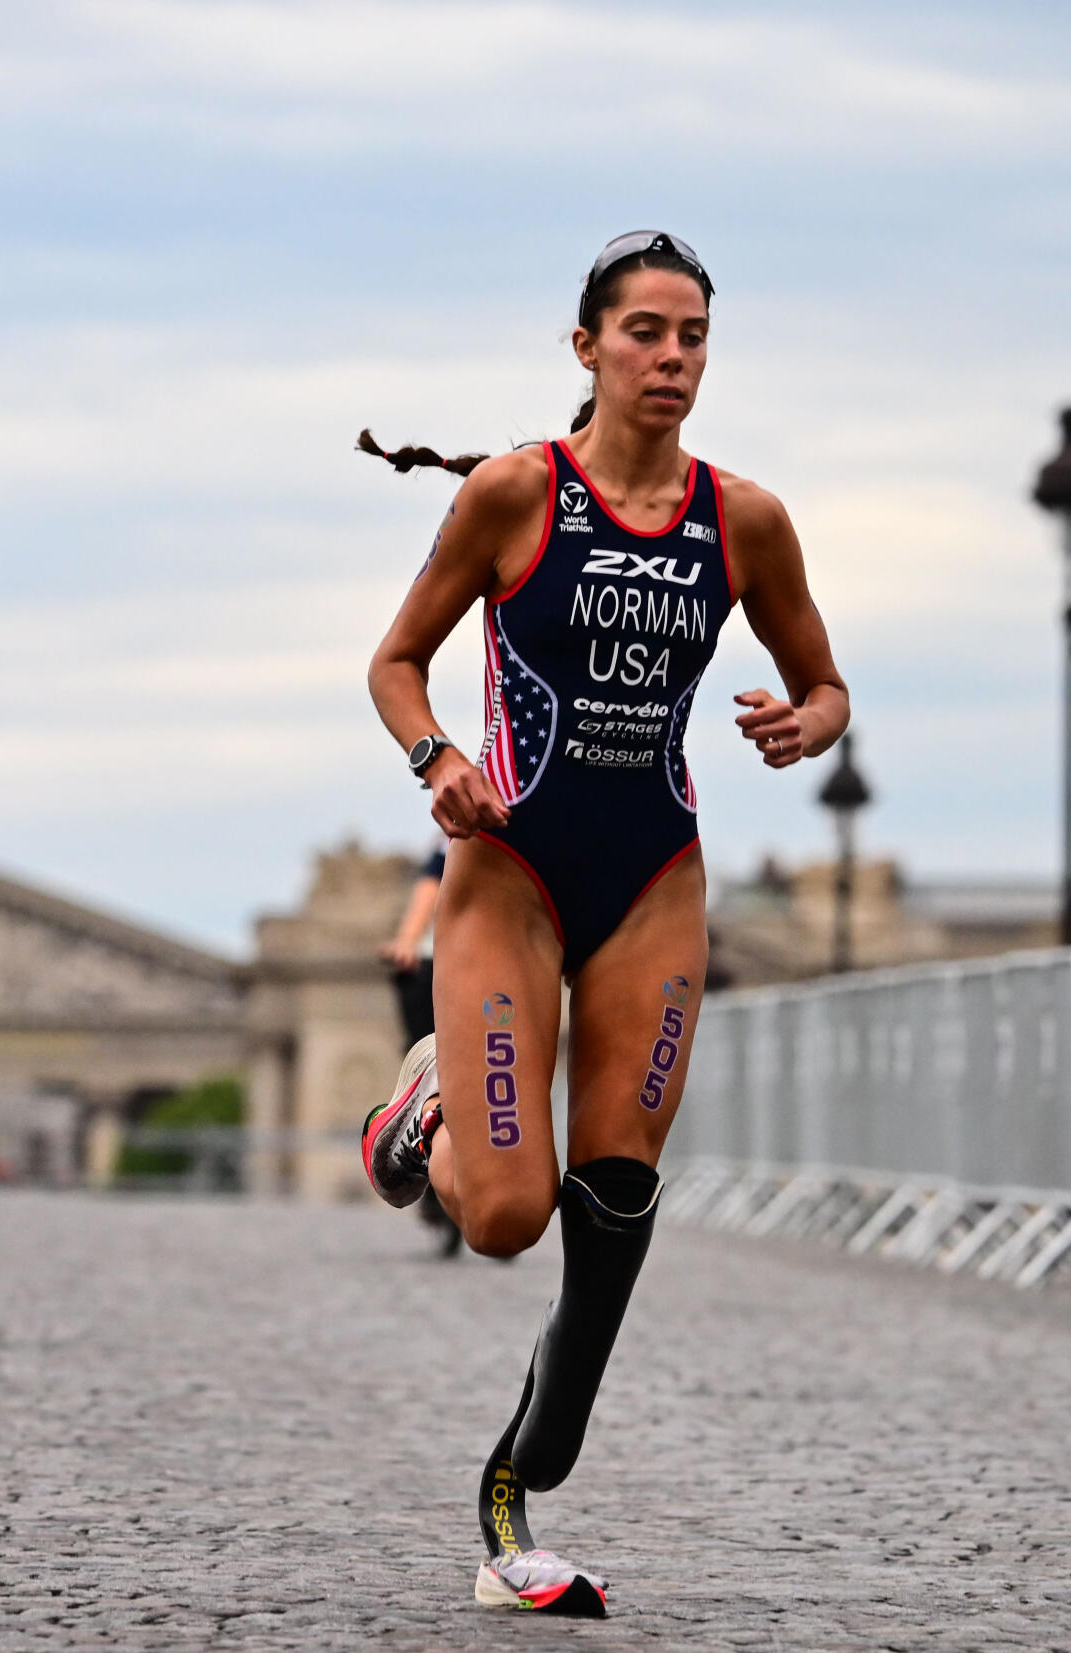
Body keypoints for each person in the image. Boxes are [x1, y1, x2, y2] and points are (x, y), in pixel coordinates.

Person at [361, 231, 849, 1614]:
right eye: (644, 332)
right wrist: (435, 761)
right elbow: (396, 661)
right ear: (586, 348)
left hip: (653, 879)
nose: (672, 358)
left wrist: (802, 722)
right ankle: (426, 1118)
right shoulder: (518, 495)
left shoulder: (742, 519)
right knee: (508, 1218)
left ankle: (527, 1471)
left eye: (693, 335)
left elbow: (826, 684)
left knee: (617, 1192)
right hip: (513, 873)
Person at [378, 842, 463, 1257]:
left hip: (462, 962)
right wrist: (408, 939)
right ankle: (433, 1173)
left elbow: (430, 886)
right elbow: (431, 883)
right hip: (449, 963)